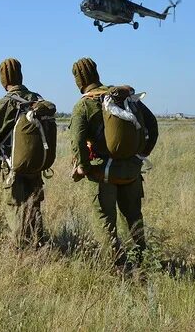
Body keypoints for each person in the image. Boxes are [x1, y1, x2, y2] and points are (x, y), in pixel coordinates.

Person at [69, 57, 158, 266]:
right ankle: (142, 263)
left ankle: (118, 268)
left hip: (103, 175)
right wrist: (141, 155)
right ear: (97, 73)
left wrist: (83, 167)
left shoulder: (84, 105)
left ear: (78, 80)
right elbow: (152, 124)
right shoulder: (124, 98)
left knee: (105, 225)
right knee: (133, 220)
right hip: (132, 172)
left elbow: (78, 140)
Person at [0, 58, 46, 248]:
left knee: (15, 208)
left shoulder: (6, 103)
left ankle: (20, 249)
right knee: (35, 207)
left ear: (3, 79)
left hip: (12, 164)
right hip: (36, 163)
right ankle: (39, 244)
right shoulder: (37, 98)